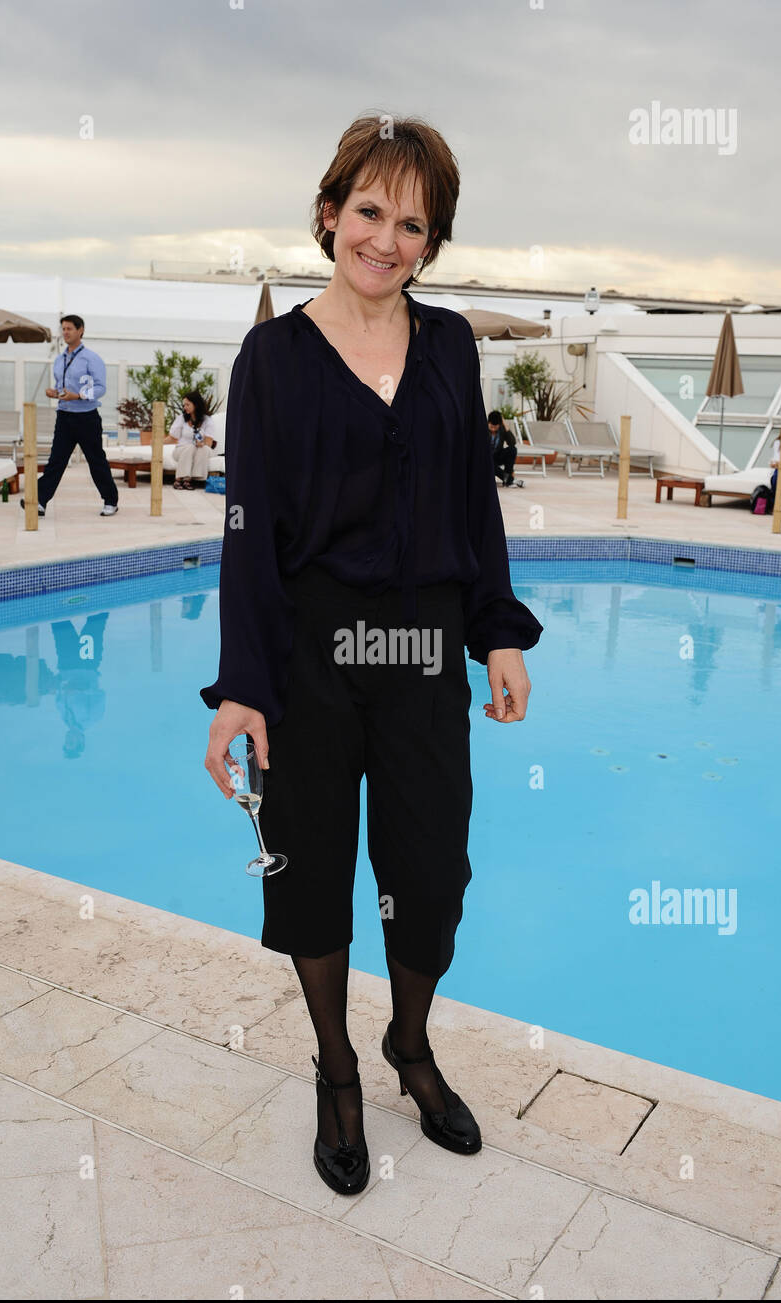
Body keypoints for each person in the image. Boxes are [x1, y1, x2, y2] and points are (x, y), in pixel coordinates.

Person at [200, 114, 544, 1198]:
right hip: (310, 652)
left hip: (421, 645)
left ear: (430, 243)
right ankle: (337, 1069)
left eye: (412, 223)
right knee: (309, 871)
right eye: (368, 212)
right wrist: (242, 689)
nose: (386, 239)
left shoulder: (448, 345)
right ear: (327, 214)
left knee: (429, 869)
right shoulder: (272, 357)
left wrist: (494, 628)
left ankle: (406, 1042)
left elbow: (468, 500)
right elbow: (247, 530)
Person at [24, 314, 119, 517]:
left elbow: (101, 388)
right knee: (56, 461)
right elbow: (62, 388)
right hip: (65, 417)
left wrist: (78, 395)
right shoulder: (60, 360)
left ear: (80, 330)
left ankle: (111, 500)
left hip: (86, 418)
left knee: (96, 461)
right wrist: (54, 392)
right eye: (63, 329)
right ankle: (39, 500)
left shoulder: (92, 359)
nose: (65, 332)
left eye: (69, 329)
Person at [164, 390, 217, 489]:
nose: (185, 407)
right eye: (184, 405)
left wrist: (202, 443)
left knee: (203, 449)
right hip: (181, 450)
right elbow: (172, 438)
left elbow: (209, 443)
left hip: (200, 449)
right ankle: (181, 479)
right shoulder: (181, 419)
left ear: (196, 404)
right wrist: (158, 442)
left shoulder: (207, 421)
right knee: (190, 447)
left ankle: (197, 479)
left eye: (187, 405)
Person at [488, 409, 518, 486]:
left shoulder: (501, 430)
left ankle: (507, 478)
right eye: (491, 426)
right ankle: (508, 479)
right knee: (489, 461)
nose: (493, 428)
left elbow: (512, 442)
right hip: (486, 457)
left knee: (512, 450)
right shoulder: (483, 429)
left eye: (496, 427)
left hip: (497, 456)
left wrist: (505, 425)